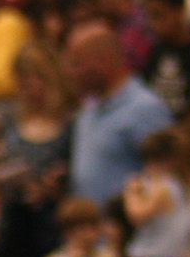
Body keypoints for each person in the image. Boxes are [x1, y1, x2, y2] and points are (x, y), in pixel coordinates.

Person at [65, 18, 172, 207]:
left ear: (102, 62)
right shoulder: (87, 111)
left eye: (77, 64)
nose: (70, 74)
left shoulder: (145, 109)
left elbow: (166, 180)